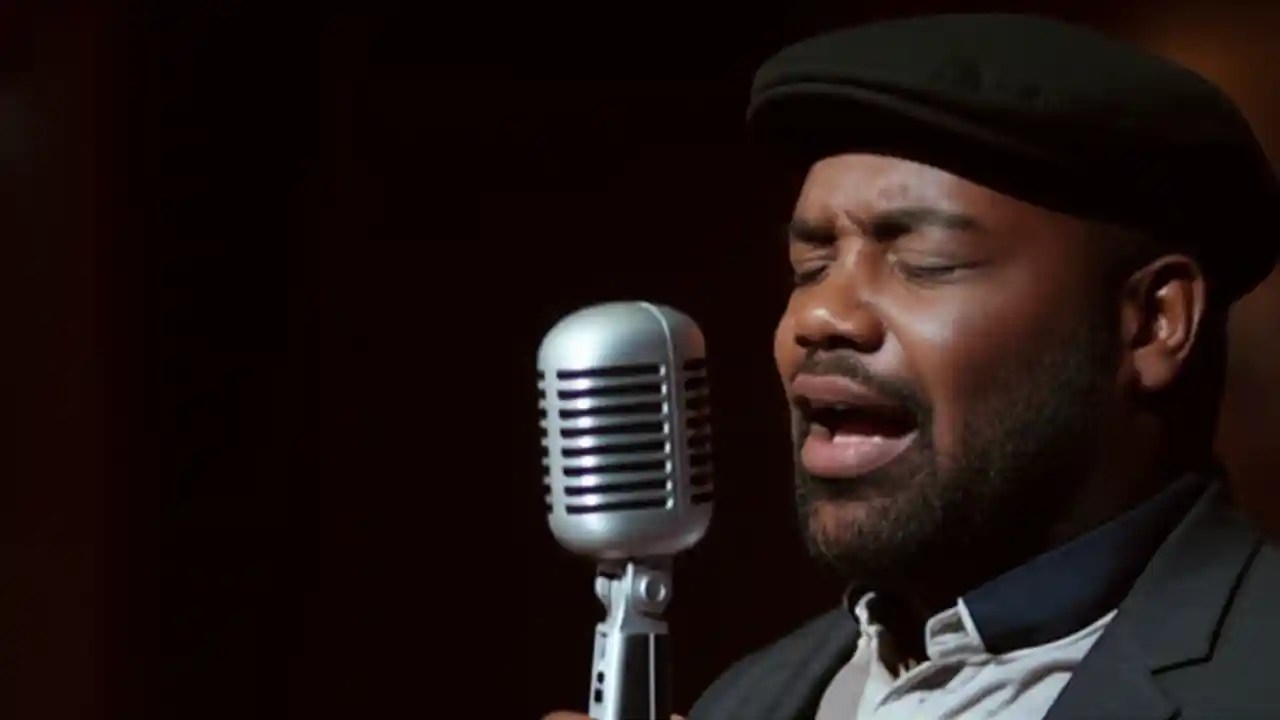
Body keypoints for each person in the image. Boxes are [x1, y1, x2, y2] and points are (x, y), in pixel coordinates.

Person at [546, 12, 1280, 720]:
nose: (819, 317)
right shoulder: (750, 700)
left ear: (1153, 322)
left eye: (925, 263)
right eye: (810, 265)